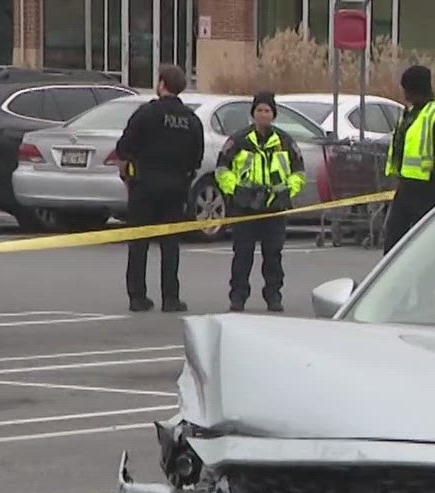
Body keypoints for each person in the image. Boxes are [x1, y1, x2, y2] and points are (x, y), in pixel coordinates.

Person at [114, 65, 204, 313]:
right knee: (170, 245)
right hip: (175, 188)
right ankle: (171, 298)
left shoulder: (146, 114)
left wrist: (129, 171)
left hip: (144, 187)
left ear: (162, 84)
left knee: (139, 243)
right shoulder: (191, 120)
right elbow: (196, 158)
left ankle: (137, 296)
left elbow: (124, 147)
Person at [214, 92, 305, 312]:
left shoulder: (284, 141)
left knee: (273, 255)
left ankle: (273, 296)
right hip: (245, 208)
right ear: (253, 113)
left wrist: (286, 191)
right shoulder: (239, 140)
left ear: (273, 114)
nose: (263, 115)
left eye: (267, 111)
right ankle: (238, 297)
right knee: (242, 255)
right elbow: (222, 169)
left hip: (274, 209)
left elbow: (299, 173)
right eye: (259, 110)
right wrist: (236, 189)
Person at [382, 65, 435, 253]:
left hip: (426, 190)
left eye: (408, 90)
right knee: (393, 240)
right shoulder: (411, 112)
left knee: (425, 244)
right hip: (406, 185)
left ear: (418, 89)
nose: (405, 95)